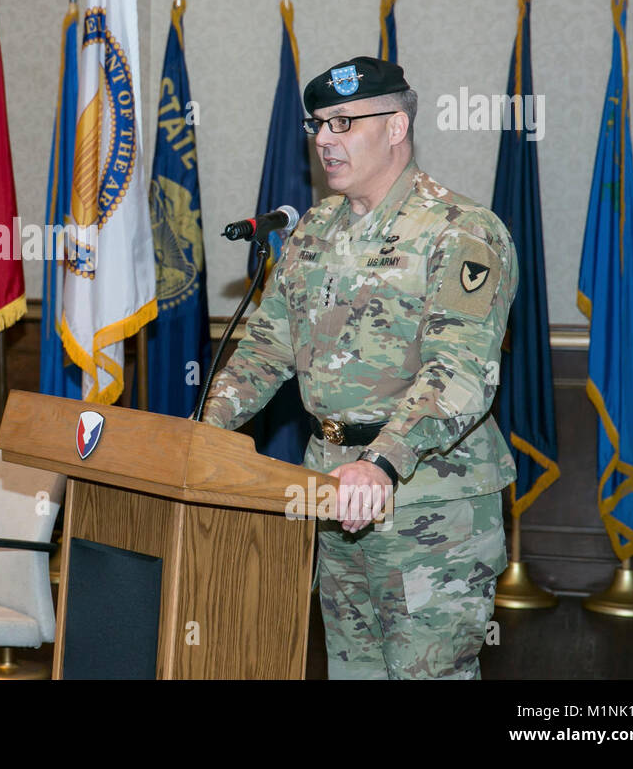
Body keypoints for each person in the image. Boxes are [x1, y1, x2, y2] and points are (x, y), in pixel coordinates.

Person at [202, 56, 518, 679]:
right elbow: (267, 348)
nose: (324, 139)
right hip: (328, 492)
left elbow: (458, 371)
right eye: (318, 124)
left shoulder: (461, 231)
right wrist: (203, 432)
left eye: (343, 123)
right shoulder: (314, 229)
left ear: (396, 127)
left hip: (429, 503)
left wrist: (381, 461)